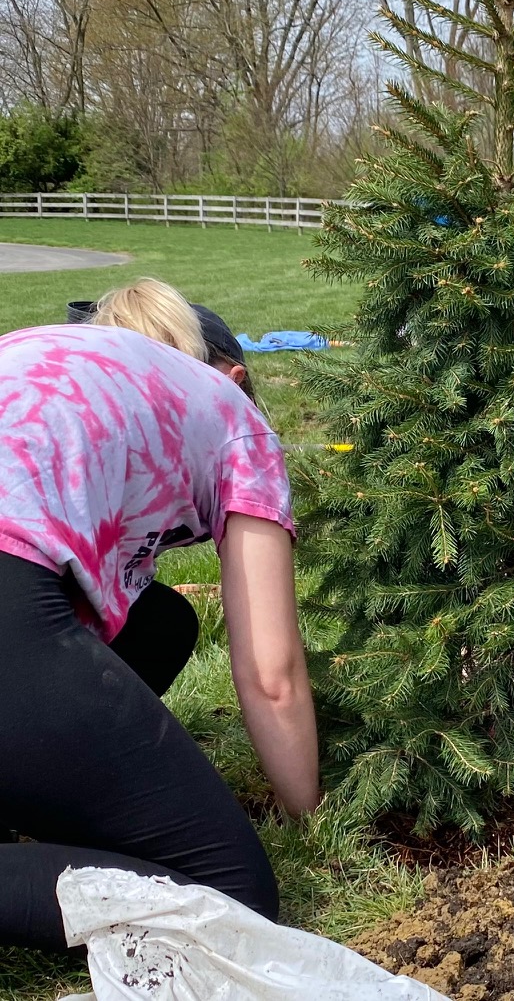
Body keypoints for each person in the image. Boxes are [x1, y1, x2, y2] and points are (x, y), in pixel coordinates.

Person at [0, 278, 318, 953]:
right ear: (234, 377)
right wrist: (309, 815)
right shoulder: (235, 416)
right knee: (231, 892)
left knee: (161, 620)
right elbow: (270, 673)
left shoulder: (64, 361)